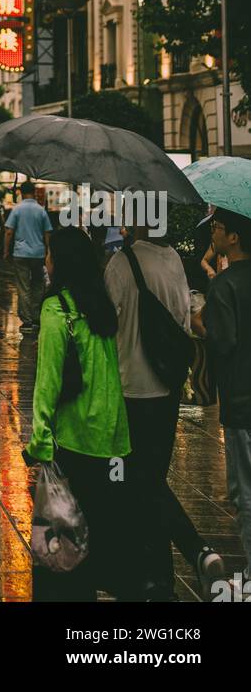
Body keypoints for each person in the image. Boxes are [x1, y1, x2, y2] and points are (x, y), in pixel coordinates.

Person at [105, 220, 223, 600]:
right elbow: (186, 314)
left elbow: (106, 322)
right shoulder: (174, 259)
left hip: (131, 388)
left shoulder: (122, 262)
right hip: (168, 387)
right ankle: (161, 581)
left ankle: (196, 550)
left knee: (141, 482)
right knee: (150, 479)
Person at [24, 229, 133, 602]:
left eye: (49, 254)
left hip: (72, 436)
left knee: (64, 538)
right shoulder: (99, 304)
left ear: (62, 261)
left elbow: (47, 380)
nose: (45, 261)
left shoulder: (58, 309)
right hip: (111, 435)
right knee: (94, 530)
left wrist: (39, 441)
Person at [193, 206, 251, 594]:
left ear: (234, 237)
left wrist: (201, 324)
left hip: (241, 402)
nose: (212, 234)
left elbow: (224, 342)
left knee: (244, 491)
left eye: (217, 228)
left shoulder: (225, 285)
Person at [4, 183, 51, 332]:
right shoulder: (41, 210)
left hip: (20, 253)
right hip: (38, 253)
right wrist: (48, 251)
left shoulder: (17, 209)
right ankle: (37, 317)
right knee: (38, 285)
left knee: (23, 287)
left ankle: (27, 320)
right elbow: (47, 232)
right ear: (34, 193)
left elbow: (9, 232)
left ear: (21, 193)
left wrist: (6, 251)